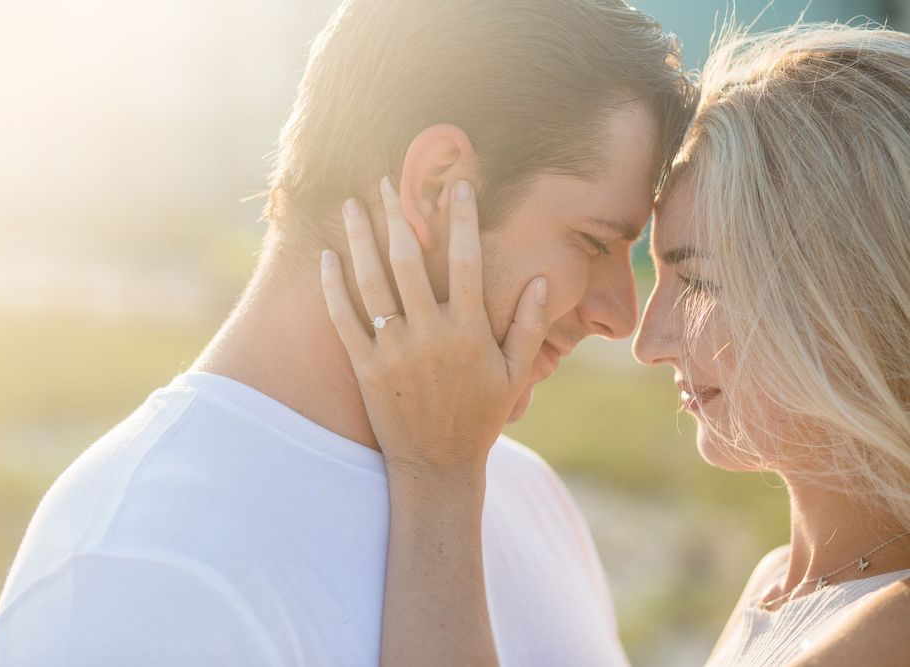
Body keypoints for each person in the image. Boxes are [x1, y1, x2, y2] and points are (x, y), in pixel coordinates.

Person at [0, 0, 697, 664]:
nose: (620, 314)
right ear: (438, 187)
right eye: (595, 241)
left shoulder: (528, 494)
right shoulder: (133, 574)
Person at [321, 23, 910, 666]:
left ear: (858, 294)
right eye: (657, 273)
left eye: (702, 283)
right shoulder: (784, 585)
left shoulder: (890, 630)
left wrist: (439, 477)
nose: (648, 341)